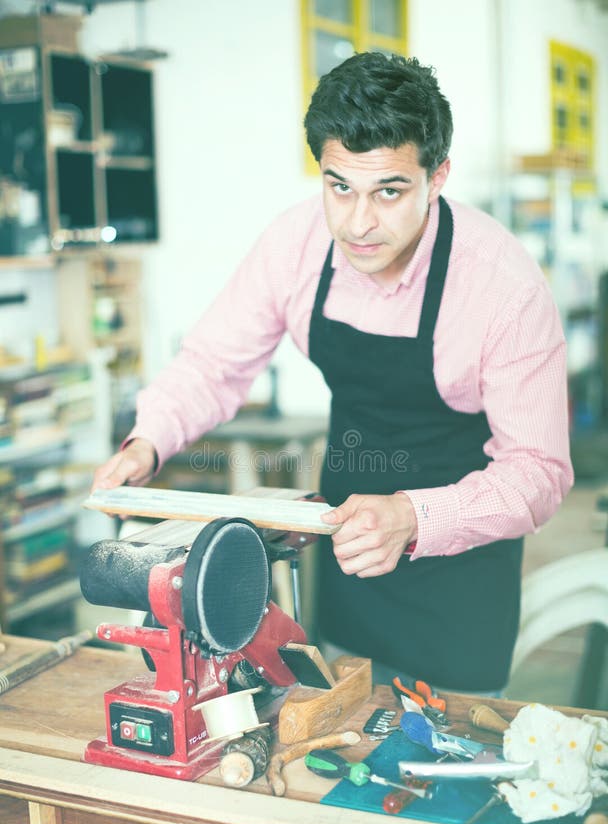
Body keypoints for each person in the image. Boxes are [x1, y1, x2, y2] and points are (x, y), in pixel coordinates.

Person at [92, 52, 573, 696]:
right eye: (339, 185)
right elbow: (214, 361)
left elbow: (540, 471)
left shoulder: (502, 288)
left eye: (390, 191)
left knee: (445, 757)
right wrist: (149, 438)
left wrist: (412, 517)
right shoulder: (296, 246)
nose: (358, 222)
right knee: (338, 735)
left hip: (462, 573)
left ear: (438, 177)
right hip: (348, 552)